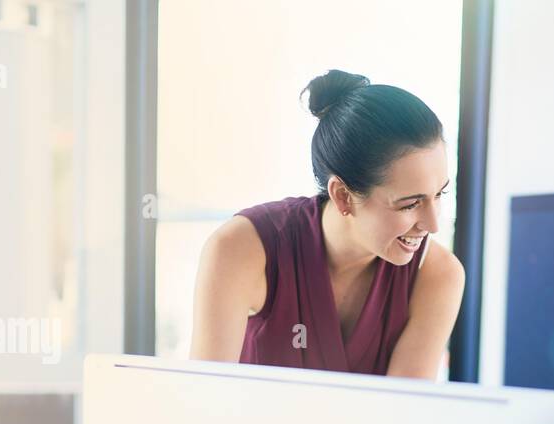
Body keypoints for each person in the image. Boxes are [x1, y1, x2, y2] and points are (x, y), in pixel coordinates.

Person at [191, 70, 464, 379]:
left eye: (439, 194)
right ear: (343, 196)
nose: (432, 224)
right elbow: (205, 401)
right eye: (410, 204)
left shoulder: (438, 275)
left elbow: (401, 417)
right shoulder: (241, 248)